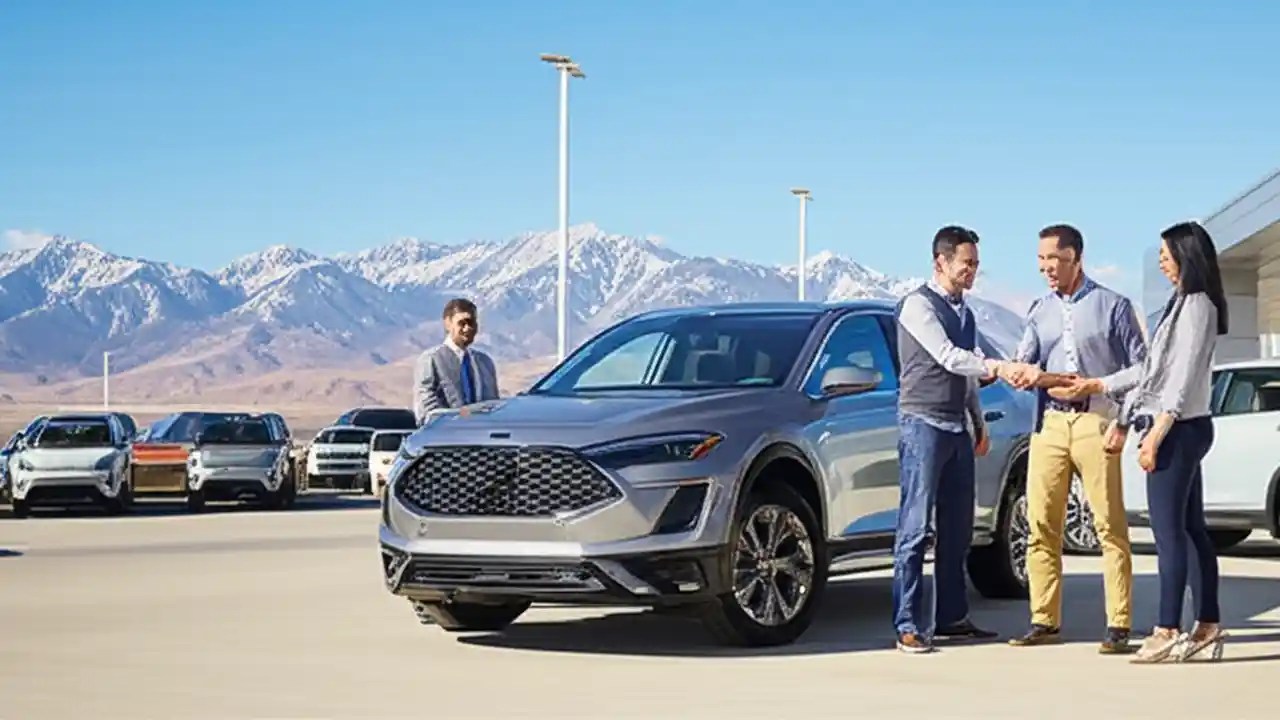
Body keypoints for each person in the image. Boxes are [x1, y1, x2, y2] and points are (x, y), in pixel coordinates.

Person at [1051, 220, 1229, 663]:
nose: (1163, 265)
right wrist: (1099, 387)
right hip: (1182, 428)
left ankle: (1167, 629)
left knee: (1170, 536)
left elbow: (1180, 382)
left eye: (1167, 257)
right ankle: (1207, 626)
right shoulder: (1182, 304)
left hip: (1180, 430)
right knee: (1190, 533)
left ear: (1186, 257)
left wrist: (1155, 437)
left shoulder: (1197, 307)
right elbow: (1149, 370)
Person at [998, 224, 1147, 654]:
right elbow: (1023, 363)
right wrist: (1029, 374)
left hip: (1095, 422)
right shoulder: (1039, 310)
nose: (1046, 268)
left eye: (1054, 260)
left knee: (1109, 527)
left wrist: (1097, 386)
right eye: (1041, 260)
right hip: (1049, 427)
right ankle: (1044, 620)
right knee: (1041, 524)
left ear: (1076, 259)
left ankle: (1118, 624)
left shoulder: (1112, 306)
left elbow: (1142, 367)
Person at [891, 225, 1036, 653]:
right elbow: (949, 358)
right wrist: (999, 367)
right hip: (922, 424)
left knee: (957, 531)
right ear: (941, 262)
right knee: (916, 527)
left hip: (956, 427)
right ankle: (908, 623)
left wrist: (978, 421)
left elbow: (965, 374)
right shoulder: (917, 307)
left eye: (975, 264)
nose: (972, 272)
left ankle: (951, 616)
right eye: (966, 264)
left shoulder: (965, 314)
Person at [413, 297, 500, 424]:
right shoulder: (432, 360)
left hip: (481, 434)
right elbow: (426, 407)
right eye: (462, 323)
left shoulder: (485, 363)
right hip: (448, 436)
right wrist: (455, 422)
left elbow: (493, 403)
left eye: (472, 323)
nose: (468, 328)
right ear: (448, 323)